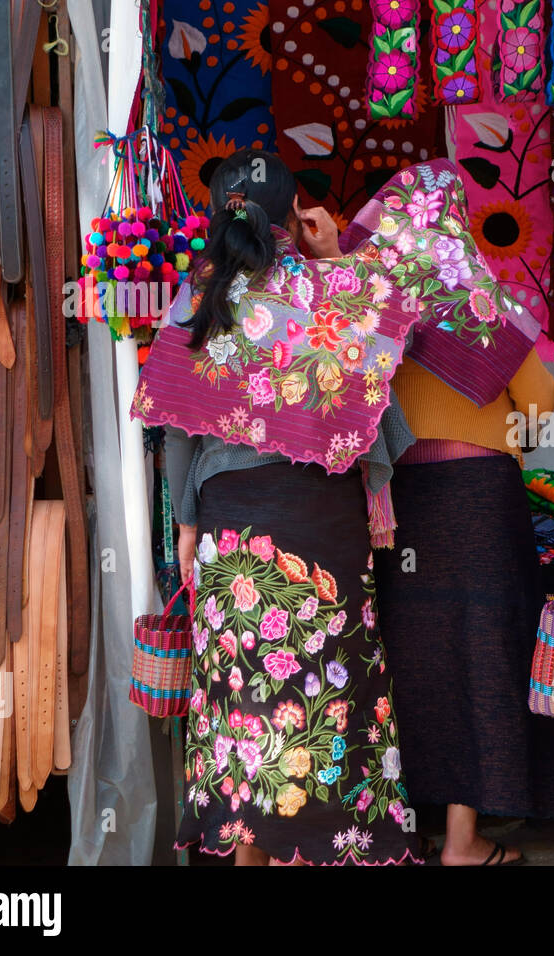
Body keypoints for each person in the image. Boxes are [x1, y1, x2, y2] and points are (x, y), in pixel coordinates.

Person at [141, 150, 439, 865]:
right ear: (292, 217)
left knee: (243, 705)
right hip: (321, 519)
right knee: (324, 701)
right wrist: (334, 253)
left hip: (229, 523)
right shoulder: (331, 290)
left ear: (217, 215)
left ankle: (248, 853)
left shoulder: (197, 298)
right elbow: (377, 407)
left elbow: (178, 428)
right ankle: (324, 844)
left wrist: (186, 527)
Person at [372, 348, 554, 866]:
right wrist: (516, 435)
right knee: (483, 646)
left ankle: (404, 828)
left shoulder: (370, 297)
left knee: (407, 653)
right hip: (480, 488)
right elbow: (538, 400)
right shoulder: (479, 305)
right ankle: (463, 837)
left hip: (392, 491)